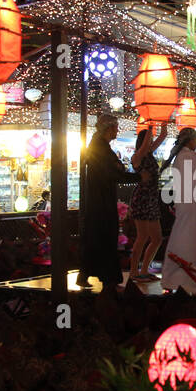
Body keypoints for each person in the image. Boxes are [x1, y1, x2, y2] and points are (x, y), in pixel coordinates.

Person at [78, 114, 135, 289]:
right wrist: (138, 177)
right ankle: (108, 278)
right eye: (115, 127)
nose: (117, 130)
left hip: (98, 200)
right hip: (101, 201)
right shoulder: (101, 149)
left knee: (97, 239)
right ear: (108, 129)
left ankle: (91, 275)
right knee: (104, 239)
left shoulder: (98, 147)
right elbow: (113, 173)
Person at [161, 127, 196, 295]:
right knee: (192, 238)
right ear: (190, 141)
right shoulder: (190, 157)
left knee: (182, 235)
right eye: (195, 139)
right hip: (194, 205)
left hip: (185, 204)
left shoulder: (180, 157)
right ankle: (192, 276)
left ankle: (175, 276)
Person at [128, 123, 168, 280]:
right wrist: (150, 126)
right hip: (143, 198)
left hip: (151, 198)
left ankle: (144, 269)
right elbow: (145, 145)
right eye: (148, 139)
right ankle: (133, 271)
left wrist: (163, 122)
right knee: (142, 236)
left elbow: (162, 137)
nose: (151, 142)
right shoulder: (137, 157)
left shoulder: (149, 153)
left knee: (157, 238)